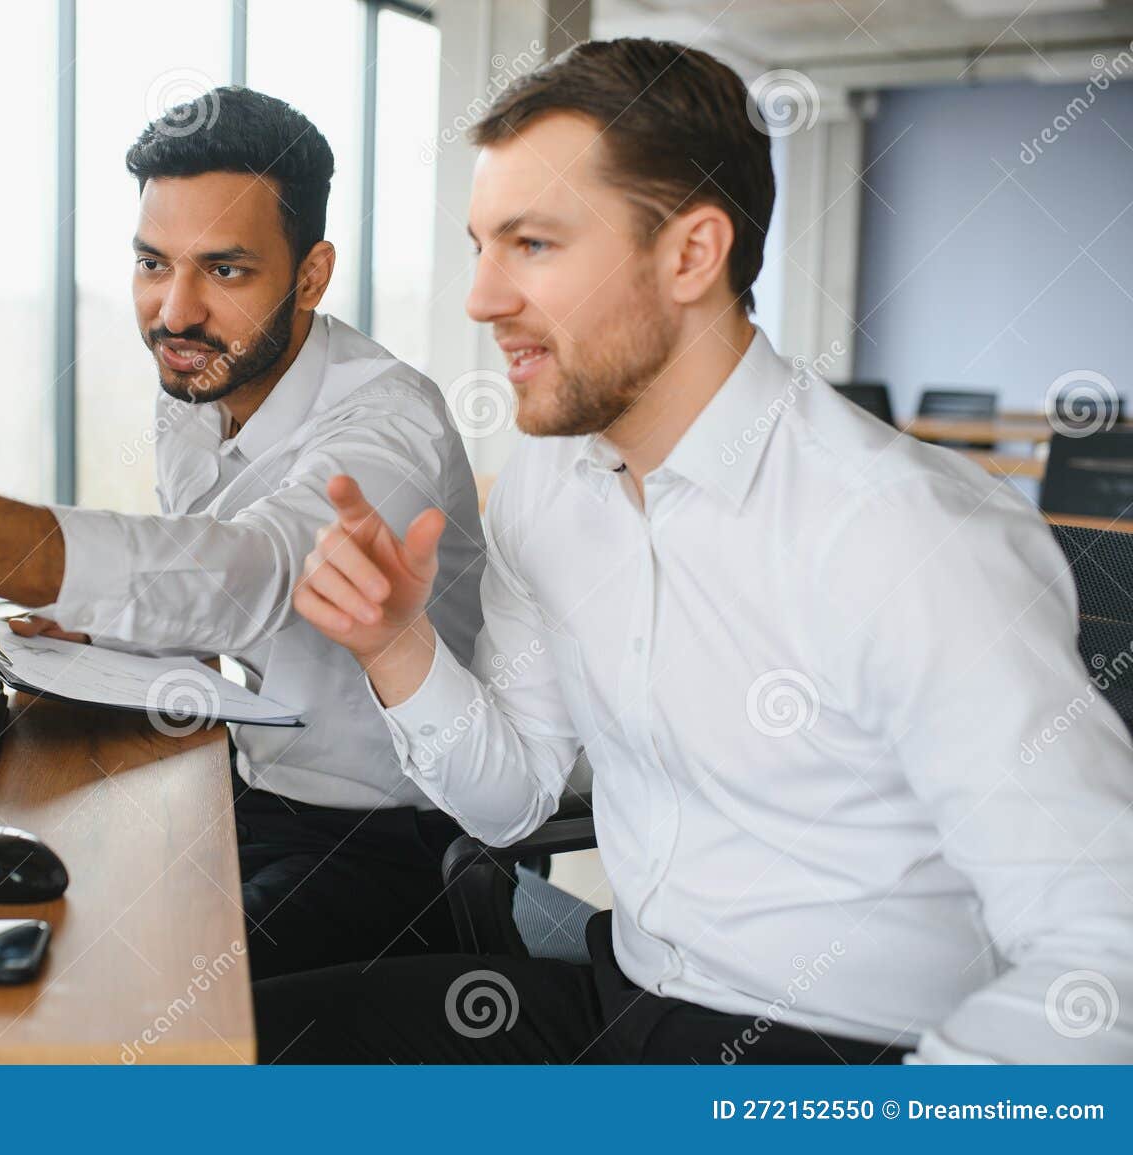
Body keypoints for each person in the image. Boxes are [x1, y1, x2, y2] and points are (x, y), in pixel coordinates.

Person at [267, 38, 1133, 1063]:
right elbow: (511, 803)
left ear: (690, 255)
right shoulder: (549, 482)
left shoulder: (908, 536)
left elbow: (1104, 953)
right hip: (626, 998)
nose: (483, 297)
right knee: (223, 1048)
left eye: (533, 244)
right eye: (481, 246)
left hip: (837, 1059)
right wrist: (395, 645)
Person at [0, 87, 486, 980]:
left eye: (224, 270)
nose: (174, 312)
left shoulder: (388, 426)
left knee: (115, 985)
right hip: (247, 786)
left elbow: (254, 574)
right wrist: (99, 629)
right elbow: (198, 604)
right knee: (23, 908)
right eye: (152, 263)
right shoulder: (199, 384)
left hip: (385, 843)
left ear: (311, 275)